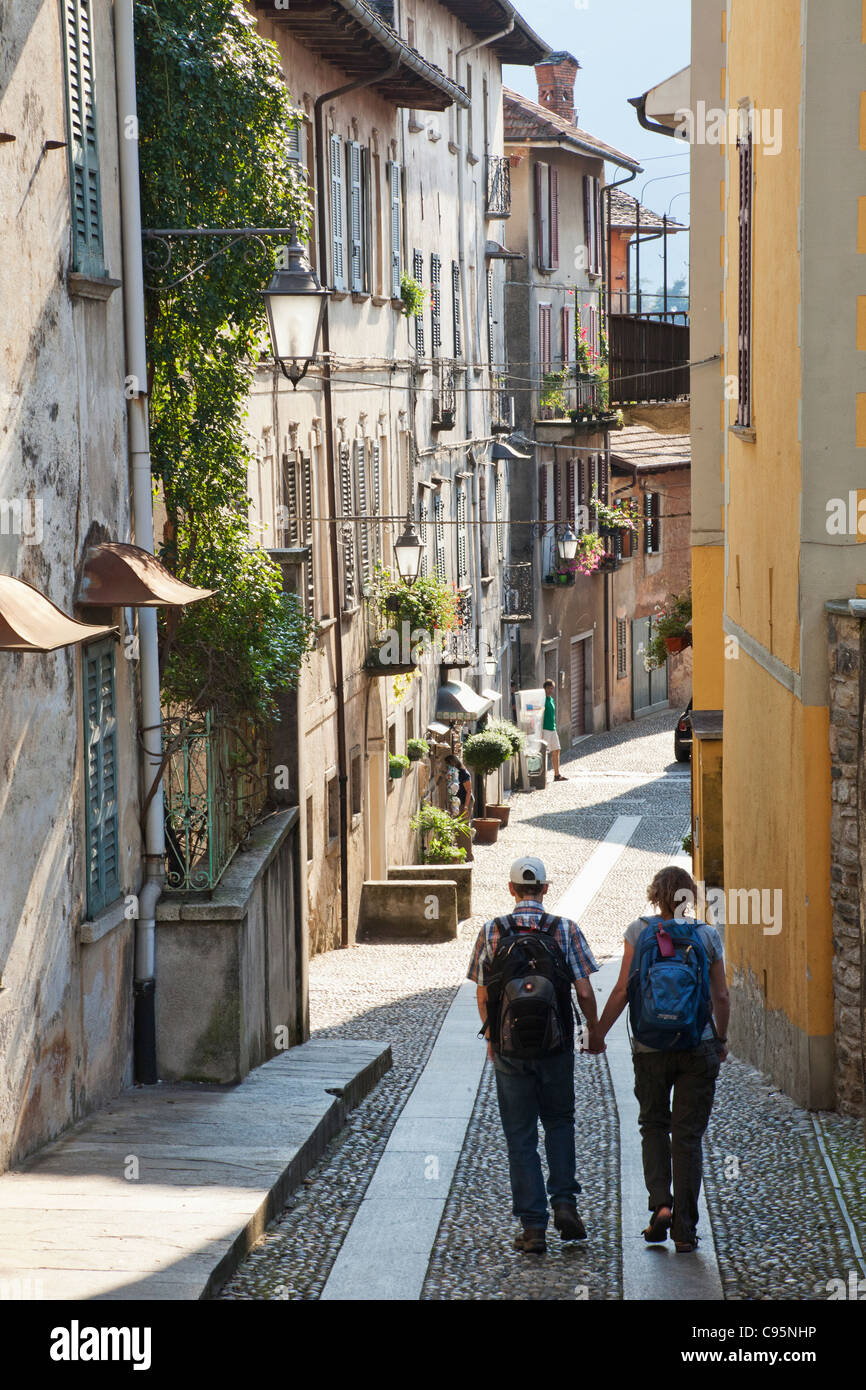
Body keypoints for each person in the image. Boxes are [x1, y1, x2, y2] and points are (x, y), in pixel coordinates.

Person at [467, 856, 603, 1254]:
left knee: (520, 1135)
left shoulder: (493, 931)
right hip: (556, 1047)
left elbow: (482, 993)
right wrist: (592, 1031)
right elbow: (583, 991)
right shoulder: (564, 929)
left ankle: (533, 1227)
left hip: (511, 1049)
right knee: (559, 1123)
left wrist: (493, 1037)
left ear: (511, 890)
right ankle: (564, 1203)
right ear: (546, 888)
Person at [596, 866, 730, 1254]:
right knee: (687, 1136)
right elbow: (721, 997)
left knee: (653, 1126)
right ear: (690, 898)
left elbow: (622, 989)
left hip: (650, 1047)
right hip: (697, 1045)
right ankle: (685, 1232)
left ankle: (662, 1206)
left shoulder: (639, 932)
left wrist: (599, 1033)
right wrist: (720, 1039)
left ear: (655, 894)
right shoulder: (706, 936)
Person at [542, 678, 566, 781]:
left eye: (552, 688)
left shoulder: (551, 699)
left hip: (552, 728)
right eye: (548, 688)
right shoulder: (542, 699)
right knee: (543, 752)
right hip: (545, 729)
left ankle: (557, 774)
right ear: (544, 688)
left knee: (556, 750)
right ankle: (542, 776)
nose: (550, 690)